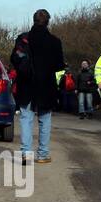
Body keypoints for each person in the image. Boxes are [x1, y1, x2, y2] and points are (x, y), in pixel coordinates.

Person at [17, 9, 65, 164]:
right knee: (45, 119)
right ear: (48, 22)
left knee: (26, 118)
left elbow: (15, 59)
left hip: (27, 84)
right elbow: (59, 65)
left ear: (33, 20)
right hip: (46, 85)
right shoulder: (54, 41)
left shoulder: (23, 39)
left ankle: (26, 153)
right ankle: (43, 154)